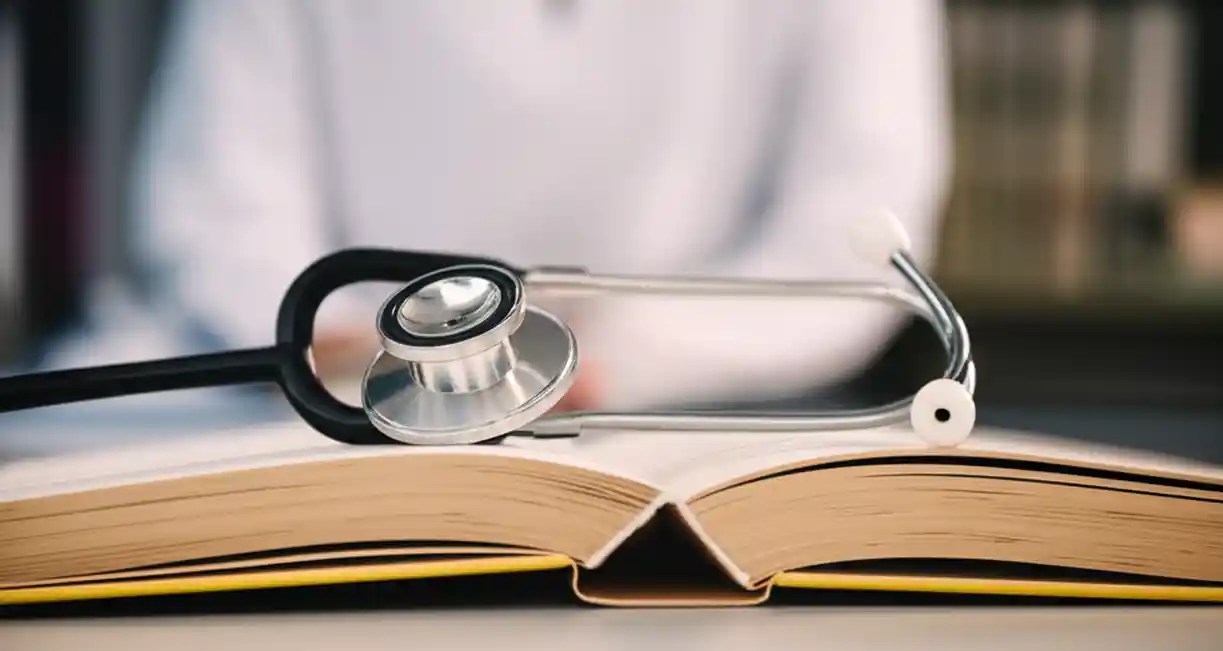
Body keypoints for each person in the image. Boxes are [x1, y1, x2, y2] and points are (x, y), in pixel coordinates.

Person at [130, 0, 950, 414]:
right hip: (293, 406)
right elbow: (218, 208)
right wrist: (383, 362)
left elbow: (858, 236)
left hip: (676, 409)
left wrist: (620, 361)